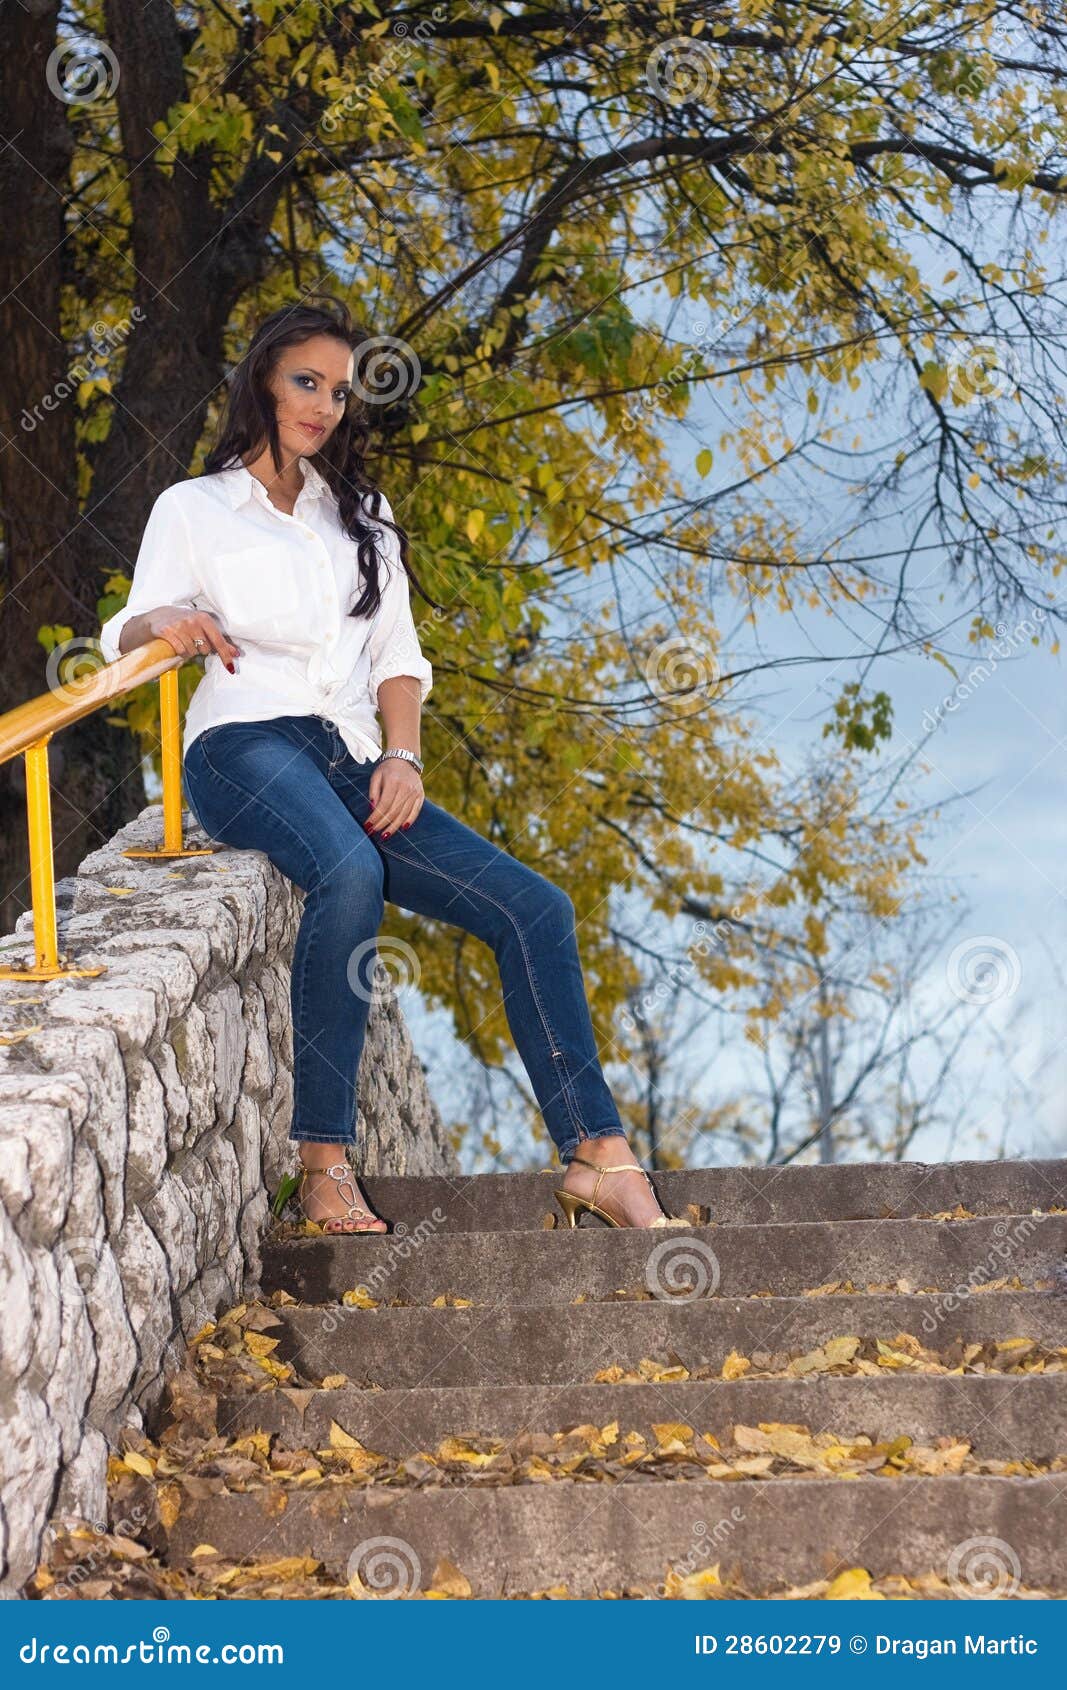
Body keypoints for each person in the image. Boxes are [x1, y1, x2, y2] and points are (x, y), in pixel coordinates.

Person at [98, 295, 688, 1234]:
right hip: (241, 744)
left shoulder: (361, 516)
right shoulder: (196, 507)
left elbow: (398, 660)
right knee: (347, 868)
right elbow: (125, 630)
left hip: (351, 757)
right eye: (305, 381)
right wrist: (161, 622)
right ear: (261, 379)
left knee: (534, 907)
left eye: (338, 391)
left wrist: (403, 757)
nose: (323, 405)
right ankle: (324, 1162)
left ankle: (596, 1152)